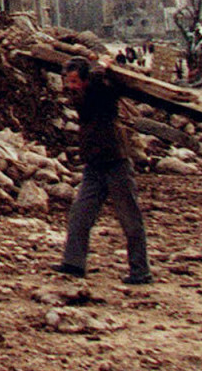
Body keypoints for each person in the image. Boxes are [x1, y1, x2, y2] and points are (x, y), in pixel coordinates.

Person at [53, 56, 153, 285]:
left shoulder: (103, 92)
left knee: (130, 218)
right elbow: (93, 80)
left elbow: (98, 82)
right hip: (94, 164)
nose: (71, 86)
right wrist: (102, 65)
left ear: (86, 79)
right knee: (80, 214)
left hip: (116, 162)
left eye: (75, 81)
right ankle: (73, 263)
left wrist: (102, 65)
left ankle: (141, 270)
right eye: (68, 81)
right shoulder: (81, 96)